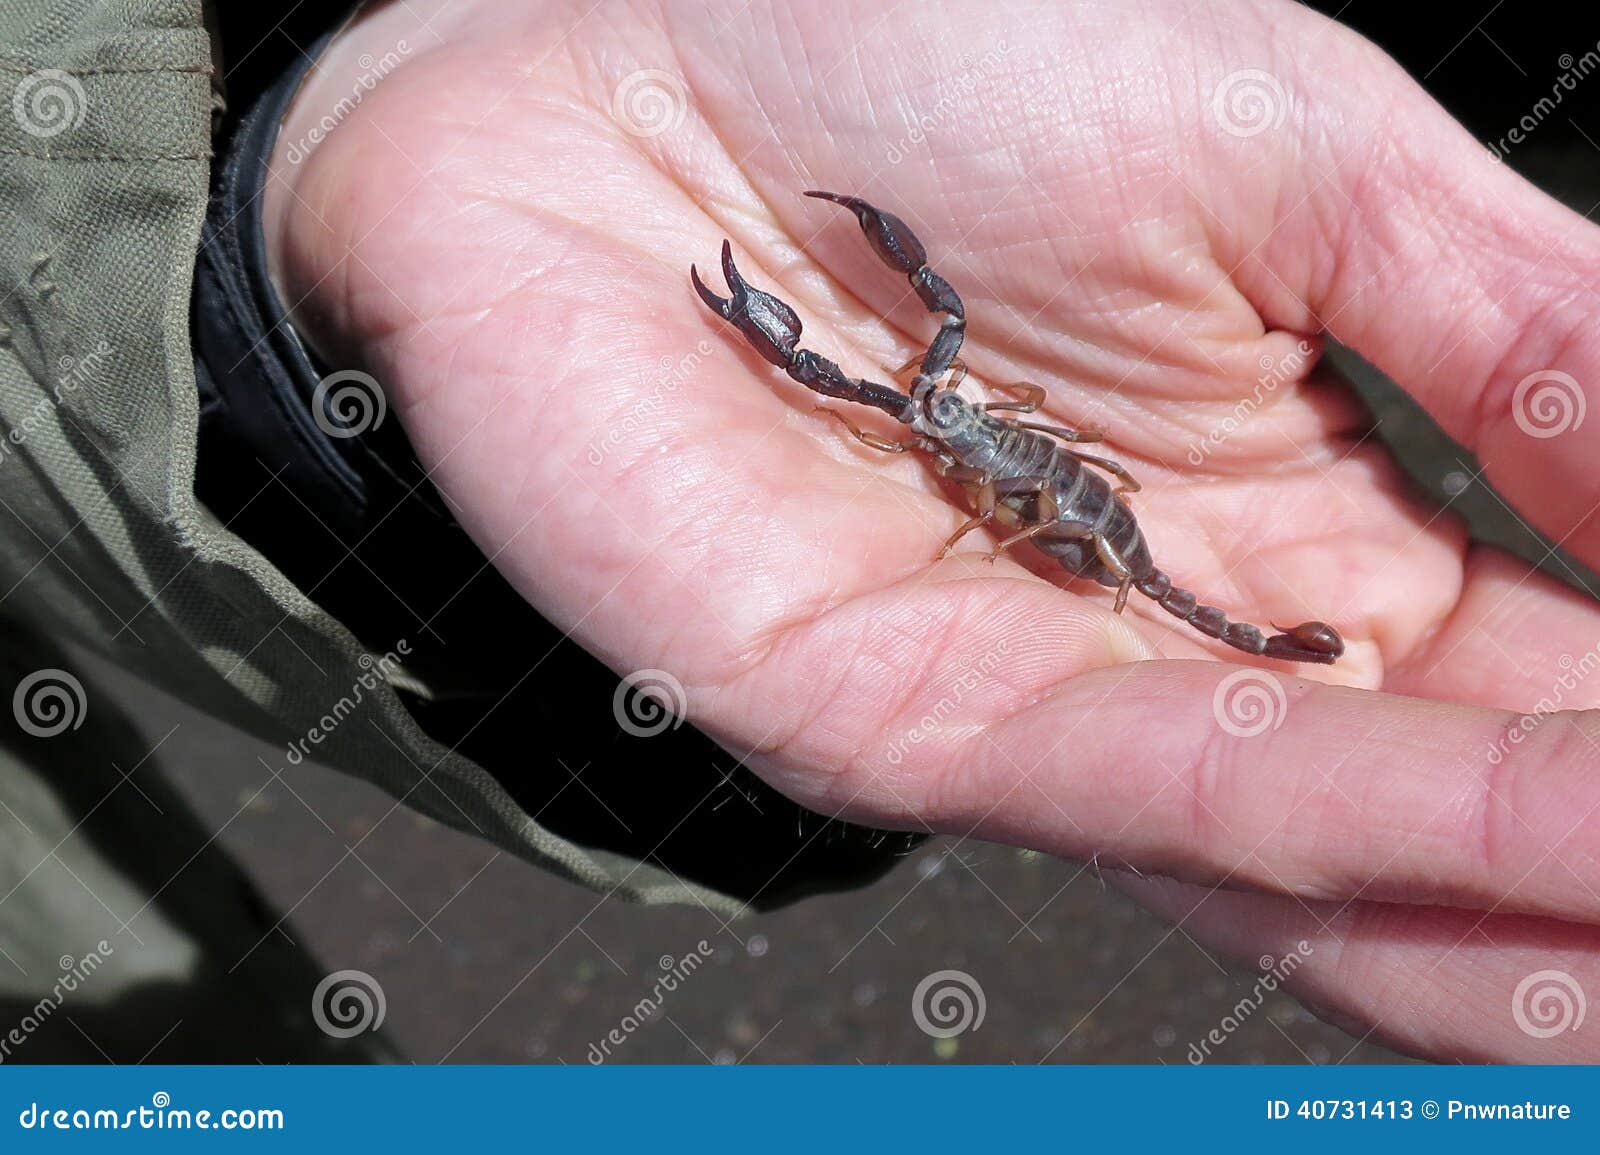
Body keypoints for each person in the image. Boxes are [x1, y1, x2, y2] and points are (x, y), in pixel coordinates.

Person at [4, 0, 1597, 1062]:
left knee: (1026, 481)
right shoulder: (928, 401)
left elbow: (995, 434)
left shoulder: (954, 438)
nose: (927, 381)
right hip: (1037, 482)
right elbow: (942, 357)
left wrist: (1022, 494)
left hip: (1074, 520)